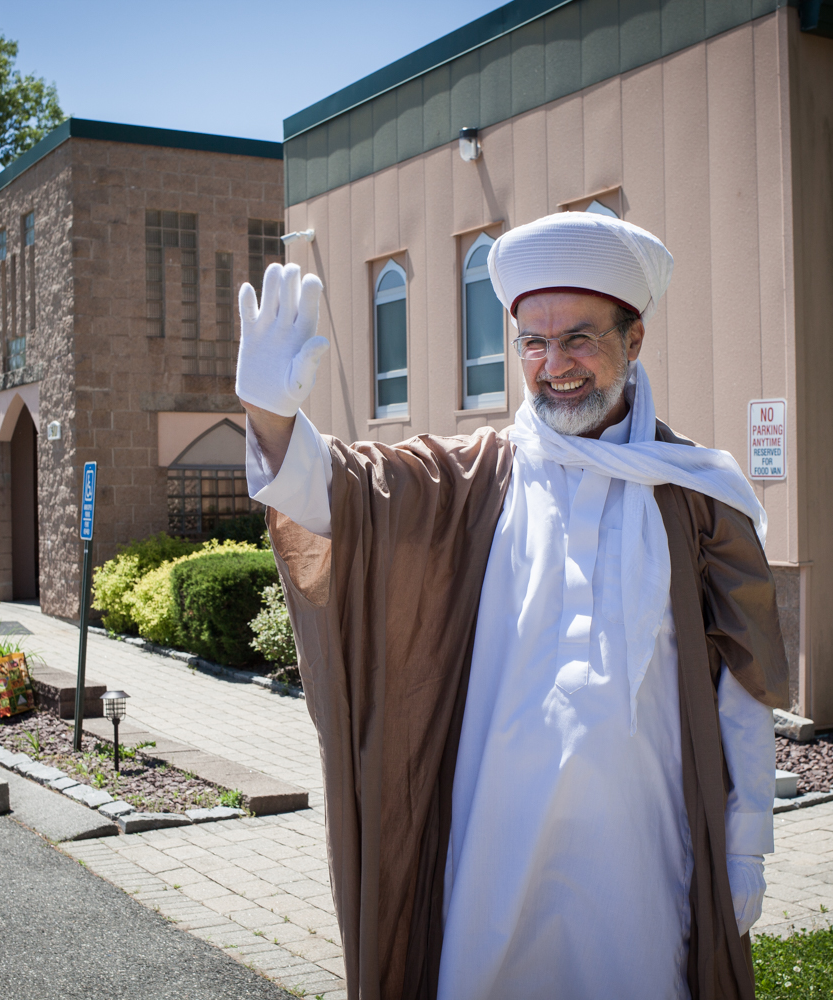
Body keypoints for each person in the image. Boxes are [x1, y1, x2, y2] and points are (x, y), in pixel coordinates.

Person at [238, 213, 787, 1000]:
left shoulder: (698, 495)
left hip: (642, 847)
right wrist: (270, 413)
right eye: (533, 341)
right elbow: (332, 495)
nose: (553, 365)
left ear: (634, 342)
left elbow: (746, 685)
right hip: (496, 844)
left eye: (579, 340)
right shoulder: (473, 479)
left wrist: (746, 843)